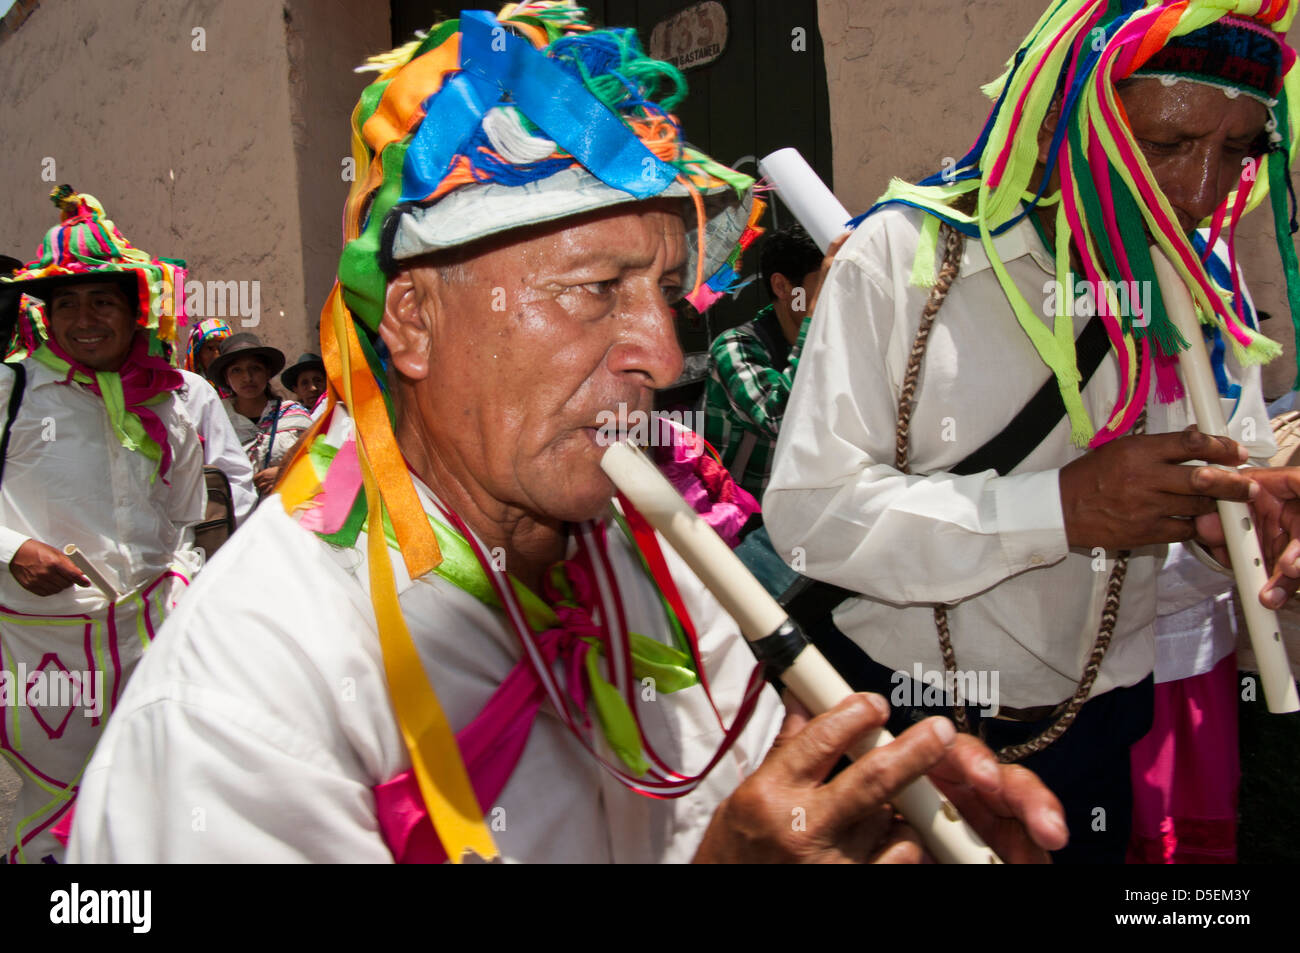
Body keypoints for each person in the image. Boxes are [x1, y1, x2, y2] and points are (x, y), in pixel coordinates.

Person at [68, 4, 1064, 864]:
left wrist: (868, 810)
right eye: (595, 291)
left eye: (667, 291)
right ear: (410, 322)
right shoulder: (241, 701)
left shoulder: (649, 556)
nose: (665, 358)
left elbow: (746, 784)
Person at [765, 0, 1299, 863]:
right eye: (1167, 145)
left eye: (1237, 149)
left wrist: (1231, 522)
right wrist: (1062, 507)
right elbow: (811, 516)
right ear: (1066, 117)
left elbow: (1230, 471)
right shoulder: (901, 257)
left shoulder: (1205, 286)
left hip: (1100, 728)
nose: (1205, 193)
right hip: (900, 715)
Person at [0, 186, 205, 863]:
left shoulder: (173, 401)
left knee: (153, 800)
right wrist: (11, 550)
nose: (84, 319)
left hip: (149, 635)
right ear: (47, 315)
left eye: (102, 301)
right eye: (67, 303)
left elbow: (182, 519)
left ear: (133, 309)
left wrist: (184, 588)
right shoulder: (13, 391)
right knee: (59, 808)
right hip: (44, 646)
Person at [703, 224, 827, 499]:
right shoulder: (735, 347)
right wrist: (817, 323)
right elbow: (779, 419)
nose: (837, 297)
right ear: (783, 287)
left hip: (810, 510)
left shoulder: (839, 342)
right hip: (745, 520)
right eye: (826, 284)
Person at [208, 333, 311, 497]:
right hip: (239, 519)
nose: (247, 378)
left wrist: (286, 473)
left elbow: (321, 462)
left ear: (267, 373)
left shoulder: (294, 416)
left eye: (255, 368)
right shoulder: (216, 423)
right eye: (236, 370)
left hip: (290, 513)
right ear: (227, 378)